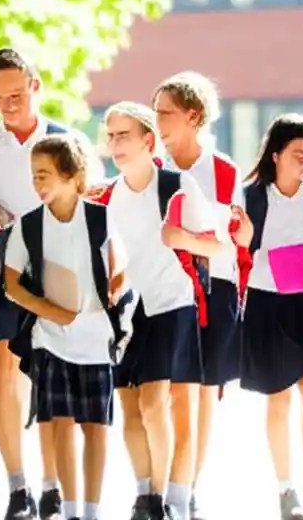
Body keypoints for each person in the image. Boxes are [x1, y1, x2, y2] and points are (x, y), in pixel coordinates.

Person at [0, 48, 106, 520]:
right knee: (2, 376)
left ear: (35, 86)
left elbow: (90, 203)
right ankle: (16, 485)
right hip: (7, 266)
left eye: (14, 94)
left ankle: (52, 484)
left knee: (47, 376)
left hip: (57, 270)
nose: (7, 105)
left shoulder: (66, 140)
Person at [98, 102, 217, 520]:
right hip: (126, 313)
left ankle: (169, 497)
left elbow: (218, 246)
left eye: (123, 135)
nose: (114, 144)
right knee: (130, 411)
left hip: (171, 306)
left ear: (148, 140)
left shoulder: (178, 186)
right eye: (110, 136)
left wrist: (180, 236)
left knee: (155, 406)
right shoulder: (107, 196)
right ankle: (145, 496)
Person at [4, 135, 126, 520]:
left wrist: (115, 288)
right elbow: (11, 285)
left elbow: (119, 267)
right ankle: (71, 510)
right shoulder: (29, 226)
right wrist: (48, 311)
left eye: (45, 176)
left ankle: (91, 509)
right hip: (49, 340)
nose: (38, 184)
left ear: (73, 176)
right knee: (59, 423)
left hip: (95, 338)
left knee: (95, 427)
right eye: (34, 177)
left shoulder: (100, 217)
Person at [236, 114, 303, 520]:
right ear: (276, 155)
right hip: (267, 302)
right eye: (297, 154)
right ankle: (286, 492)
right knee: (277, 398)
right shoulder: (252, 197)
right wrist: (242, 239)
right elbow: (242, 247)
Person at [151, 72, 242, 519]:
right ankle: (165, 483)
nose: (158, 121)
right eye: (156, 112)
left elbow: (228, 241)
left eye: (166, 112)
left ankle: (188, 488)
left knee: (204, 393)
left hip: (214, 289)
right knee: (169, 394)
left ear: (194, 115)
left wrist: (178, 236)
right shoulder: (154, 170)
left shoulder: (222, 171)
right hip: (163, 293)